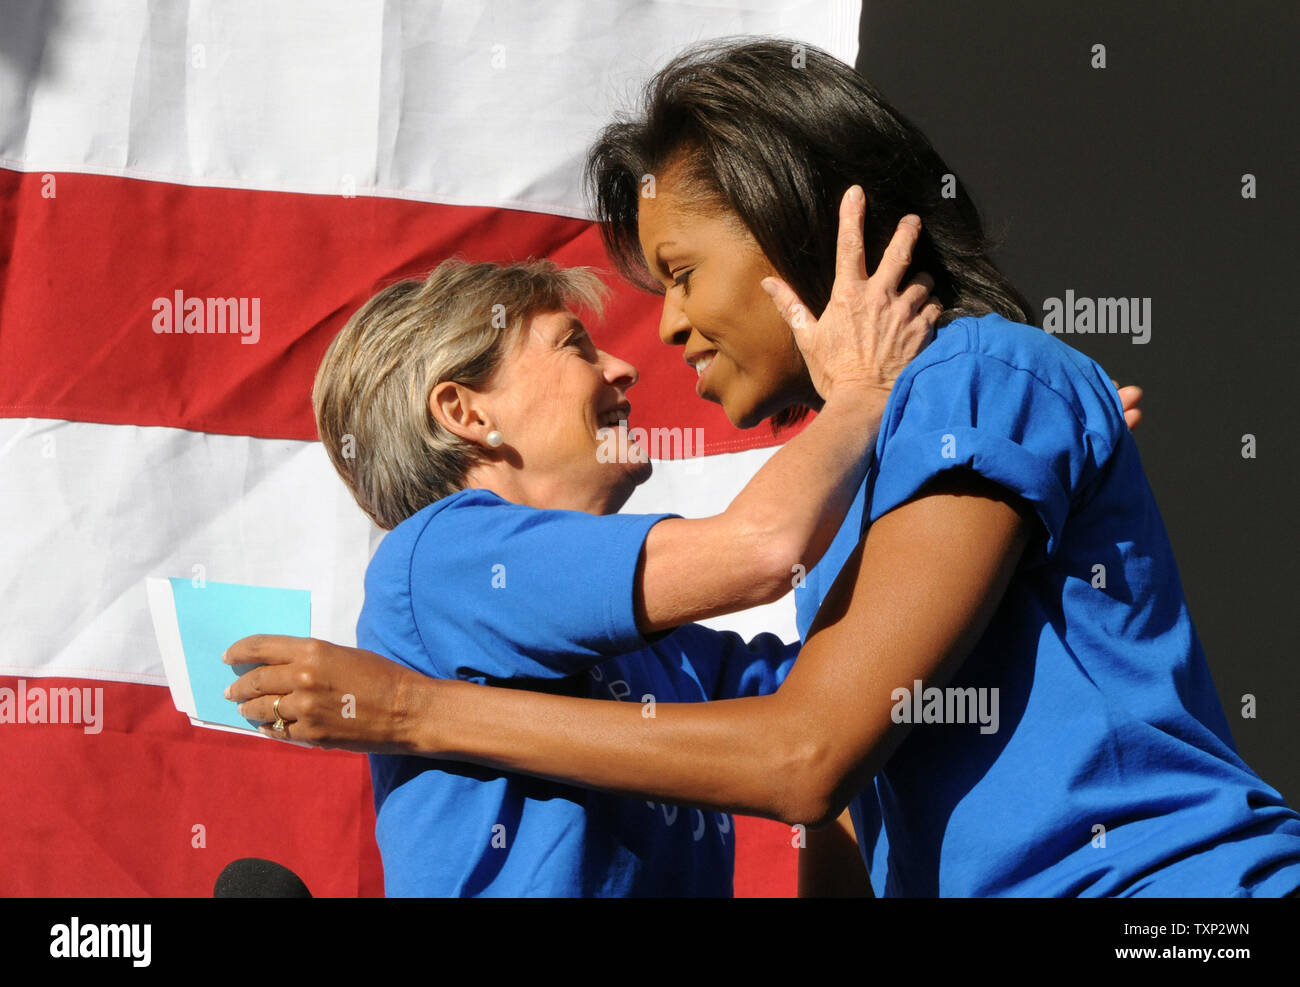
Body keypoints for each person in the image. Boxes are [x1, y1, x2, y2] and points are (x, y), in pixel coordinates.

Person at [227, 38, 1298, 898]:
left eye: (681, 274)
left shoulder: (973, 376)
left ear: (791, 213)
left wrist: (413, 712)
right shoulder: (454, 561)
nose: (664, 336)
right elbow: (817, 739)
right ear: (462, 414)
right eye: (584, 341)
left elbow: (802, 748)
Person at [259, 216, 937, 896]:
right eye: (575, 346)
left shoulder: (656, 652)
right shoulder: (440, 558)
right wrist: (860, 391)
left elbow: (845, 707)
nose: (622, 365)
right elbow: (763, 547)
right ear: (465, 413)